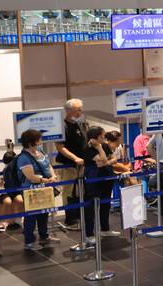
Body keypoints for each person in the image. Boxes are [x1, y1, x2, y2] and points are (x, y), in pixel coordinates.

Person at [15, 129, 58, 250]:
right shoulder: (23, 158)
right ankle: (29, 242)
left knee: (44, 214)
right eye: (38, 140)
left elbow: (48, 165)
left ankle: (44, 236)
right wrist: (46, 180)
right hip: (31, 190)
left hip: (45, 187)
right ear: (30, 143)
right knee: (31, 216)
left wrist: (53, 176)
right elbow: (31, 177)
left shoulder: (40, 151)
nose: (41, 141)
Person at [57, 98, 88, 229]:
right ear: (69, 111)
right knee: (68, 191)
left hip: (81, 164)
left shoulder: (79, 124)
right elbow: (60, 147)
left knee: (79, 190)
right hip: (67, 164)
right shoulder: (62, 126)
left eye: (81, 109)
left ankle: (78, 215)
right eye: (78, 110)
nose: (80, 112)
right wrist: (74, 158)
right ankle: (69, 218)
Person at [81, 126, 114, 242]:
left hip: (107, 177)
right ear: (95, 137)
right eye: (102, 136)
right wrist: (100, 149)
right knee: (91, 207)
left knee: (106, 204)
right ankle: (89, 234)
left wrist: (107, 162)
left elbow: (112, 158)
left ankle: (105, 229)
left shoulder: (104, 145)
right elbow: (103, 159)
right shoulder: (86, 148)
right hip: (94, 179)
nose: (104, 137)